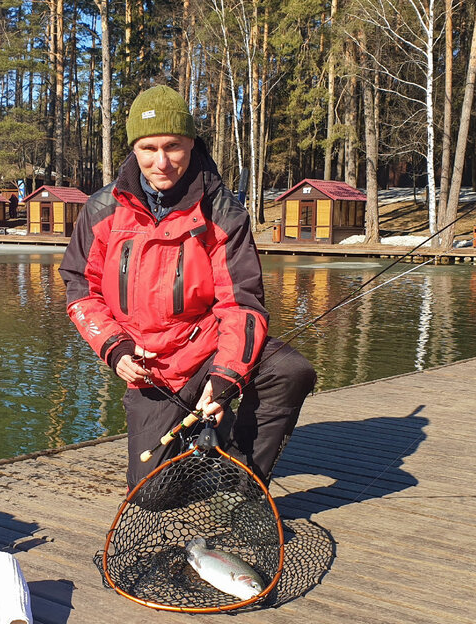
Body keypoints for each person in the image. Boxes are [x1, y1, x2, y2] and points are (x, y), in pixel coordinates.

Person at [59, 85, 317, 490]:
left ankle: (242, 480)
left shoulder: (223, 211)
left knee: (289, 370)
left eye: (173, 146)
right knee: (150, 493)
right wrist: (115, 348)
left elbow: (241, 305)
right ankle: (204, 438)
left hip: (210, 349)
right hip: (152, 370)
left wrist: (226, 377)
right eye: (148, 148)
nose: (161, 161)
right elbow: (81, 289)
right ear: (133, 149)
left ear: (191, 144)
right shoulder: (101, 208)